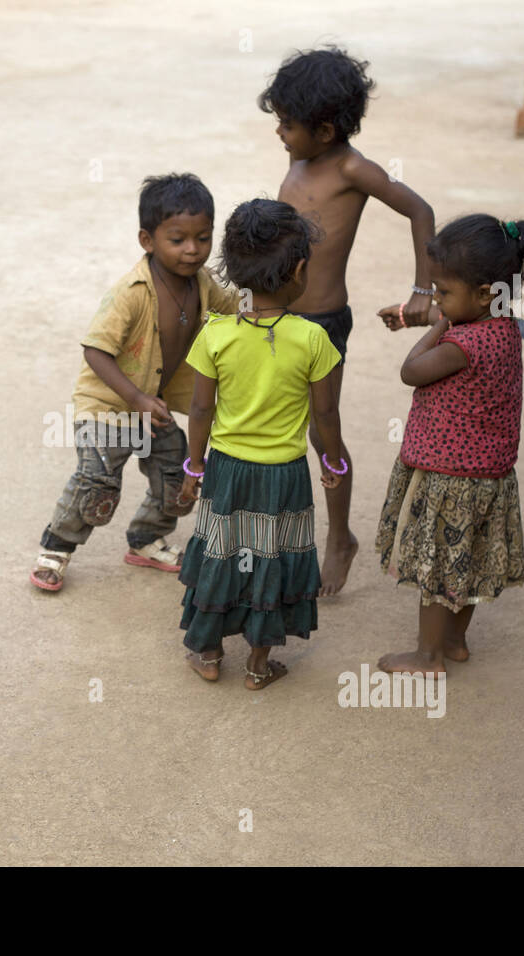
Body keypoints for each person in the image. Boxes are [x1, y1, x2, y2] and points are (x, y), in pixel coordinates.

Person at [259, 45, 437, 596]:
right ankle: (273, 529)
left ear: (327, 129)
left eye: (288, 125)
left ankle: (340, 537)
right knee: (267, 418)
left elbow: (420, 211)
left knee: (323, 426)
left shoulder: (354, 169)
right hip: (275, 315)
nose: (280, 134)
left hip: (323, 323)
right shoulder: (299, 158)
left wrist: (421, 292)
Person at [30, 173, 239, 591]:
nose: (192, 250)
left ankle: (145, 538)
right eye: (177, 239)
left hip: (154, 408)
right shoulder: (130, 292)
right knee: (97, 483)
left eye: (203, 237)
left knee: (177, 477)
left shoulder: (203, 284)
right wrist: (136, 396)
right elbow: (95, 350)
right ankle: (56, 548)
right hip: (109, 406)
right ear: (147, 239)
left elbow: (237, 310)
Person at [177, 199, 345, 690]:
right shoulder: (313, 339)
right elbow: (326, 414)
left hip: (227, 471)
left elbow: (201, 411)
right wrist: (331, 460)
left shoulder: (216, 335)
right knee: (271, 558)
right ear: (298, 270)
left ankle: (207, 654)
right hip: (284, 476)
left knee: (221, 553)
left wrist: (193, 467)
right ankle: (257, 664)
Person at [374, 215, 524, 674]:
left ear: (485, 293)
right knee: (467, 562)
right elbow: (456, 315)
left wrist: (436, 326)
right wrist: (418, 314)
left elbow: (411, 370)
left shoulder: (460, 345)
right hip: (491, 477)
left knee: (436, 571)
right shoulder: (507, 328)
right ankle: (455, 641)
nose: (439, 302)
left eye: (444, 293)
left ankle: (427, 657)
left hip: (451, 479)